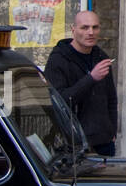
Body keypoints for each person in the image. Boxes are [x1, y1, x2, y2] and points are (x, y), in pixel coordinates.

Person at [45, 10, 118, 156]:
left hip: (104, 141)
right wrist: (91, 78)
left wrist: (112, 130)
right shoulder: (59, 60)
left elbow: (111, 98)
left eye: (95, 27)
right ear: (73, 29)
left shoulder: (101, 56)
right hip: (73, 144)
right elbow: (57, 102)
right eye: (85, 27)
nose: (91, 32)